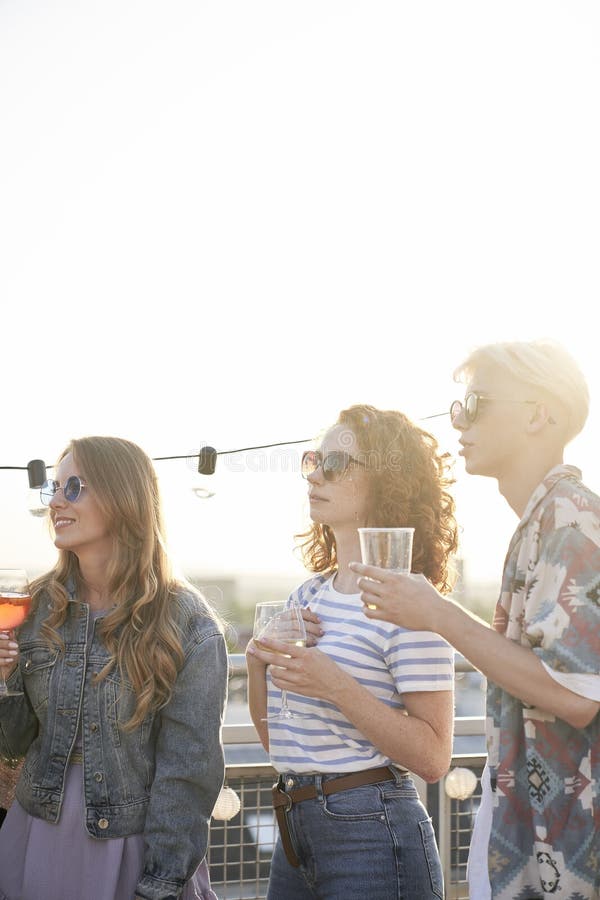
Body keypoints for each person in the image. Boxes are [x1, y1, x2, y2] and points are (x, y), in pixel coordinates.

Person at [351, 341, 600, 900]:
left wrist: (437, 614)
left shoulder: (571, 518)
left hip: (567, 846)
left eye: (477, 402)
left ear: (541, 414)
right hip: (536, 832)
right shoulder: (543, 519)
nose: (459, 419)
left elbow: (578, 691)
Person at [0, 436, 228, 900]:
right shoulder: (37, 606)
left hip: (133, 848)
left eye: (74, 487)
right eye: (54, 489)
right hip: (36, 836)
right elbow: (12, 741)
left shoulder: (186, 622)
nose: (56, 502)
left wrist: (161, 884)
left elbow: (188, 774)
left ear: (123, 497)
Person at [246, 404, 458, 899]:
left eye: (336, 465)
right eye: (314, 461)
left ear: (386, 482)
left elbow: (433, 757)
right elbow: (279, 744)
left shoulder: (407, 601)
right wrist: (258, 664)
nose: (316, 475)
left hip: (373, 832)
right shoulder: (308, 597)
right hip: (294, 830)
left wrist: (333, 684)